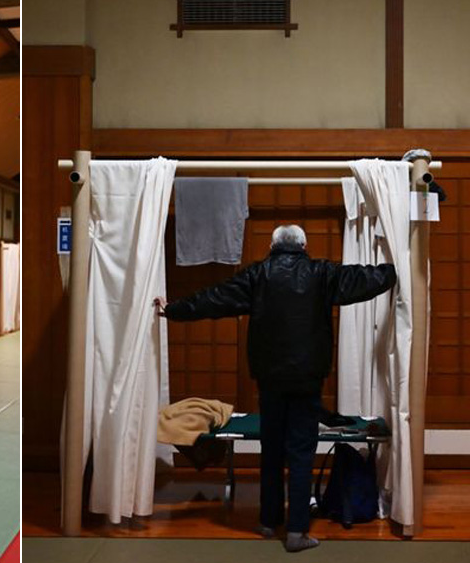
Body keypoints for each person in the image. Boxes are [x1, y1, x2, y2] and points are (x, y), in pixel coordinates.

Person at [154, 224, 395, 553]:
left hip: (269, 380)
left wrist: (174, 309)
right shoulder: (322, 273)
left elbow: (214, 298)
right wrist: (396, 271)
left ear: (272, 246)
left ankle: (268, 521)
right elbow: (365, 279)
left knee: (272, 451)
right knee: (299, 453)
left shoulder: (257, 275)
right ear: (303, 245)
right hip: (308, 380)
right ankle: (296, 532)